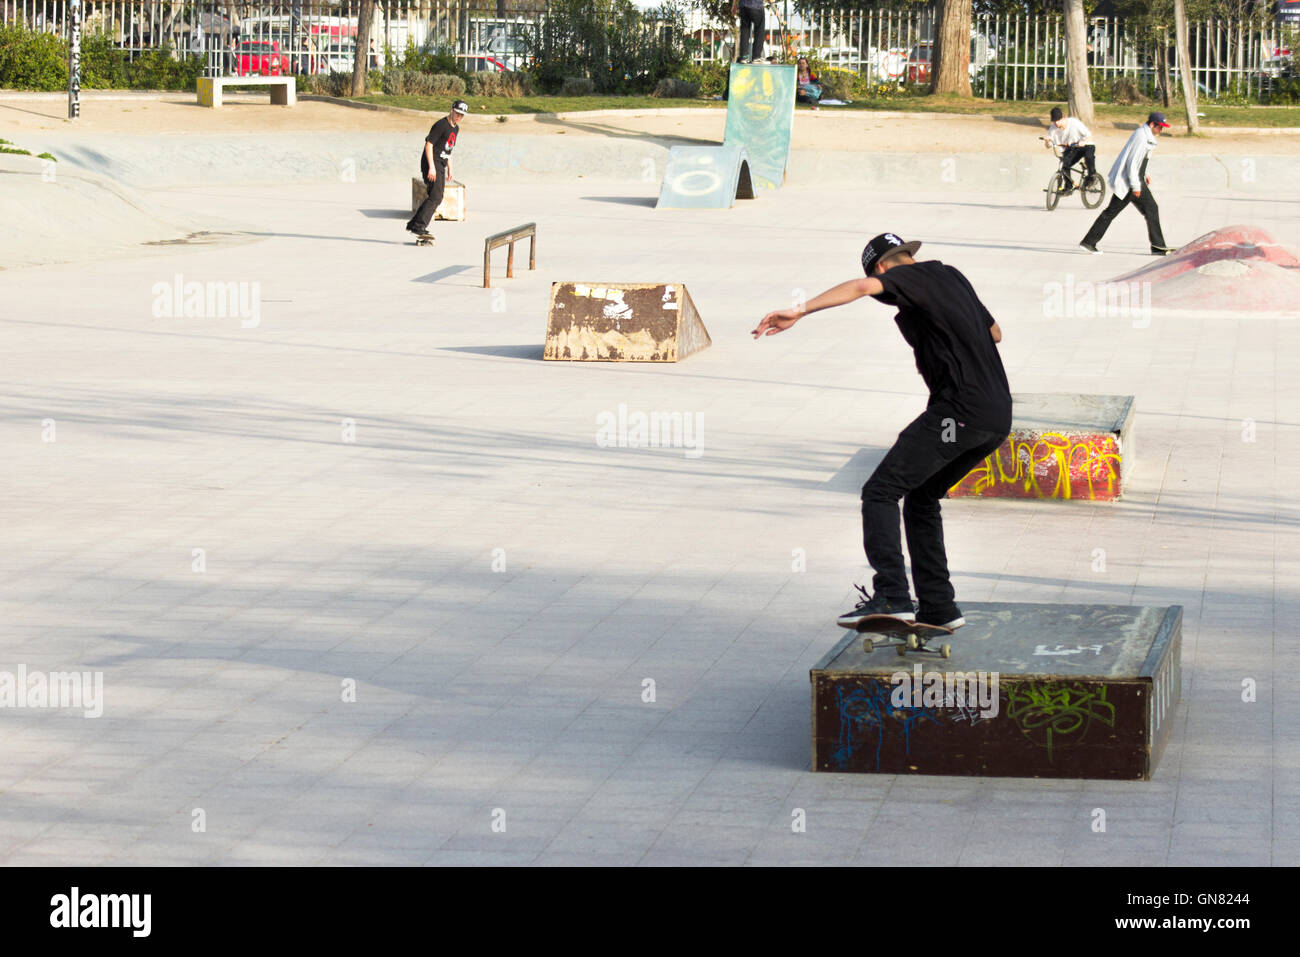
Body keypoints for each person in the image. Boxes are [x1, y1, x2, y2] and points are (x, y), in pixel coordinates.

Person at [752, 234, 1011, 630]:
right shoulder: (951, 276)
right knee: (922, 499)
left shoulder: (906, 278)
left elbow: (859, 287)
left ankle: (891, 595)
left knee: (881, 490)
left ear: (883, 267)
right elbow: (995, 332)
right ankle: (939, 607)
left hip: (957, 414)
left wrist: (799, 311)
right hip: (996, 416)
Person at [1080, 111, 1176, 256]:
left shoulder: (1146, 135)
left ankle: (1158, 246)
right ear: (1152, 124)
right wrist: (1136, 186)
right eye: (1159, 127)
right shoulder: (1142, 137)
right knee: (1114, 212)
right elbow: (1132, 163)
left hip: (1136, 179)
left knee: (1149, 208)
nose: (1161, 130)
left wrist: (1146, 173)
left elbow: (1141, 160)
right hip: (1130, 182)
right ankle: (1089, 242)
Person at [406, 100, 468, 239]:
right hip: (431, 163)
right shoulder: (441, 125)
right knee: (436, 196)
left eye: (461, 115)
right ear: (452, 110)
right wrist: (431, 168)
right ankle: (418, 226)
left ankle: (414, 224)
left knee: (435, 196)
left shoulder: (455, 128)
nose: (458, 117)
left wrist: (450, 169)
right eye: (457, 113)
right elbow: (429, 145)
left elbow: (449, 149)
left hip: (441, 164)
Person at [1044, 105, 1095, 180]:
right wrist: (1047, 141)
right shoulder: (1053, 128)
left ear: (1063, 117)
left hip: (1085, 146)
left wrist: (1084, 142)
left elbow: (1089, 135)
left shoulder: (1074, 122)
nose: (1056, 123)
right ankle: (1068, 188)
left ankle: (1092, 178)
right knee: (1064, 165)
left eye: (1058, 120)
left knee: (1089, 157)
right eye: (1054, 121)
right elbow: (1048, 146)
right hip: (1072, 149)